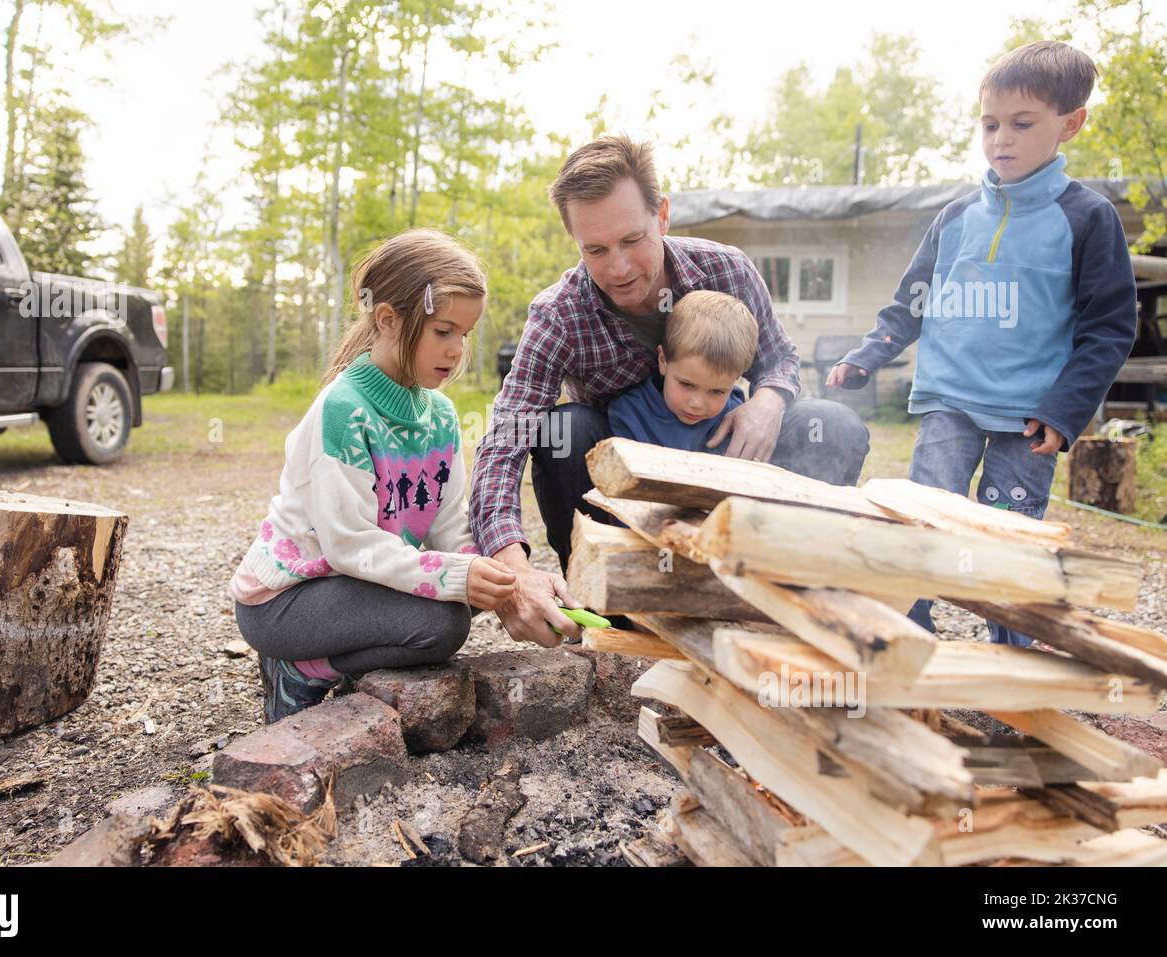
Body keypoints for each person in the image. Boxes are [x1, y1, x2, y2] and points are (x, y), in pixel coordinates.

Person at [470, 134, 872, 648]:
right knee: (563, 432)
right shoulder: (558, 315)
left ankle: (780, 589)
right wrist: (511, 570)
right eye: (595, 249)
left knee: (832, 425)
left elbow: (781, 360)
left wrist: (768, 401)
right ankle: (612, 608)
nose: (617, 267)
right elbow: (505, 438)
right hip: (626, 498)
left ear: (661, 215)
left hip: (722, 473)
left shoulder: (727, 269)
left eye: (631, 240)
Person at [827, 40, 1138, 646]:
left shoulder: (1088, 218)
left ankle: (1011, 650)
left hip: (1031, 418)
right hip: (950, 402)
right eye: (991, 124)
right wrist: (867, 355)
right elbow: (910, 301)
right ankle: (904, 630)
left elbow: (1109, 328)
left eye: (1022, 124)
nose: (1002, 139)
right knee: (923, 520)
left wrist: (1066, 411)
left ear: (1070, 123)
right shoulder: (955, 217)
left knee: (1007, 536)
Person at [228, 228, 517, 722]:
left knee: (458, 607)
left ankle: (323, 670)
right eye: (442, 331)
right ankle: (298, 670)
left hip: (356, 585)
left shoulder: (441, 416)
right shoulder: (344, 411)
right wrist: (456, 576)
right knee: (443, 622)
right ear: (387, 319)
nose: (455, 351)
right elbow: (348, 544)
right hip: (286, 602)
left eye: (464, 335)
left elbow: (449, 525)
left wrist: (499, 580)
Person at [608, 290, 758, 454]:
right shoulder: (630, 414)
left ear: (736, 378)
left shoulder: (735, 419)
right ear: (663, 360)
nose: (697, 404)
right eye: (687, 384)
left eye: (717, 391)